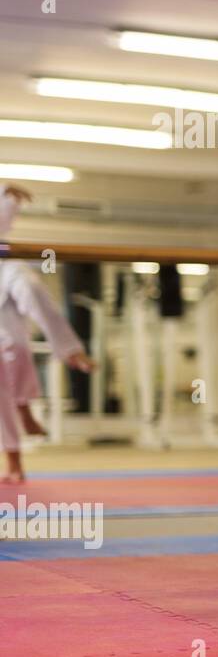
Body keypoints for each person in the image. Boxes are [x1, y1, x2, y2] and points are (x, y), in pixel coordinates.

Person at [0, 185, 94, 483]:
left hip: (5, 283)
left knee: (15, 343)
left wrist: (7, 195)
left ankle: (66, 353)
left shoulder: (12, 269)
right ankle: (22, 413)